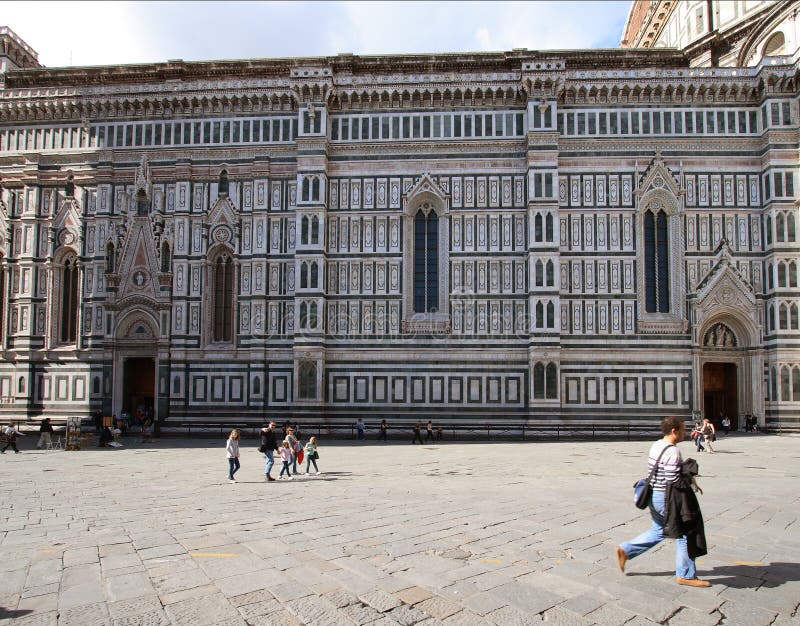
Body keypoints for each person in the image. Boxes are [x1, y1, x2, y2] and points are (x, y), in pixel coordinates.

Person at [615, 416, 711, 588]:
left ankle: (626, 549)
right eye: (682, 429)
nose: (685, 433)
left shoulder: (656, 445)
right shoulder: (673, 451)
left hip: (653, 495)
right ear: (674, 431)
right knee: (684, 533)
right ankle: (686, 575)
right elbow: (673, 479)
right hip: (666, 498)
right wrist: (690, 478)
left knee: (659, 529)